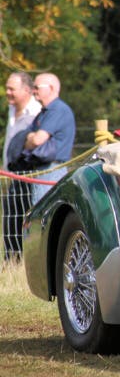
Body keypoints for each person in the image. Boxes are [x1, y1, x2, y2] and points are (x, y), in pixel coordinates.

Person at [7, 73, 75, 206]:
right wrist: (28, 139)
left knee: (44, 213)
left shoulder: (57, 109)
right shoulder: (43, 113)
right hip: (41, 169)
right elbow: (28, 140)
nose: (33, 91)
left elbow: (37, 140)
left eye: (37, 87)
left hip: (52, 170)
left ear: (51, 88)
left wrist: (29, 139)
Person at [2, 72, 41, 260]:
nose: (7, 92)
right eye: (7, 88)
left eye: (11, 89)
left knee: (24, 220)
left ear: (26, 90)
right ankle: (12, 261)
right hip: (12, 177)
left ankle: (25, 261)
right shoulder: (12, 110)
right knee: (10, 220)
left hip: (28, 176)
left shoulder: (36, 114)